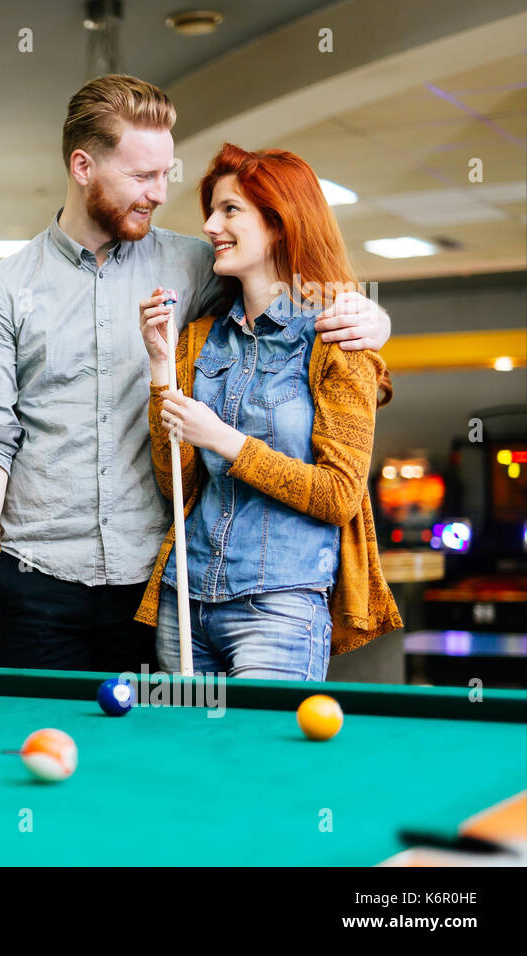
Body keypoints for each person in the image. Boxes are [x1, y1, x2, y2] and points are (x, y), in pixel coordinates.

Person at [0, 74, 392, 672]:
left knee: (152, 760)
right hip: (37, 582)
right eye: (141, 176)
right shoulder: (5, 291)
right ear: (82, 166)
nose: (159, 192)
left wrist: (374, 323)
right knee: (45, 754)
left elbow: (290, 300)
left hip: (152, 588)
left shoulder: (196, 263)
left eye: (165, 174)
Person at [134, 142, 403, 679]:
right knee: (183, 765)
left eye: (230, 209)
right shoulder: (198, 339)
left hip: (278, 607)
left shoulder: (336, 339)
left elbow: (339, 496)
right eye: (211, 210)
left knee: (259, 763)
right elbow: (177, 486)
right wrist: (162, 370)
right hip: (185, 602)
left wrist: (224, 439)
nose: (211, 225)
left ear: (279, 222)